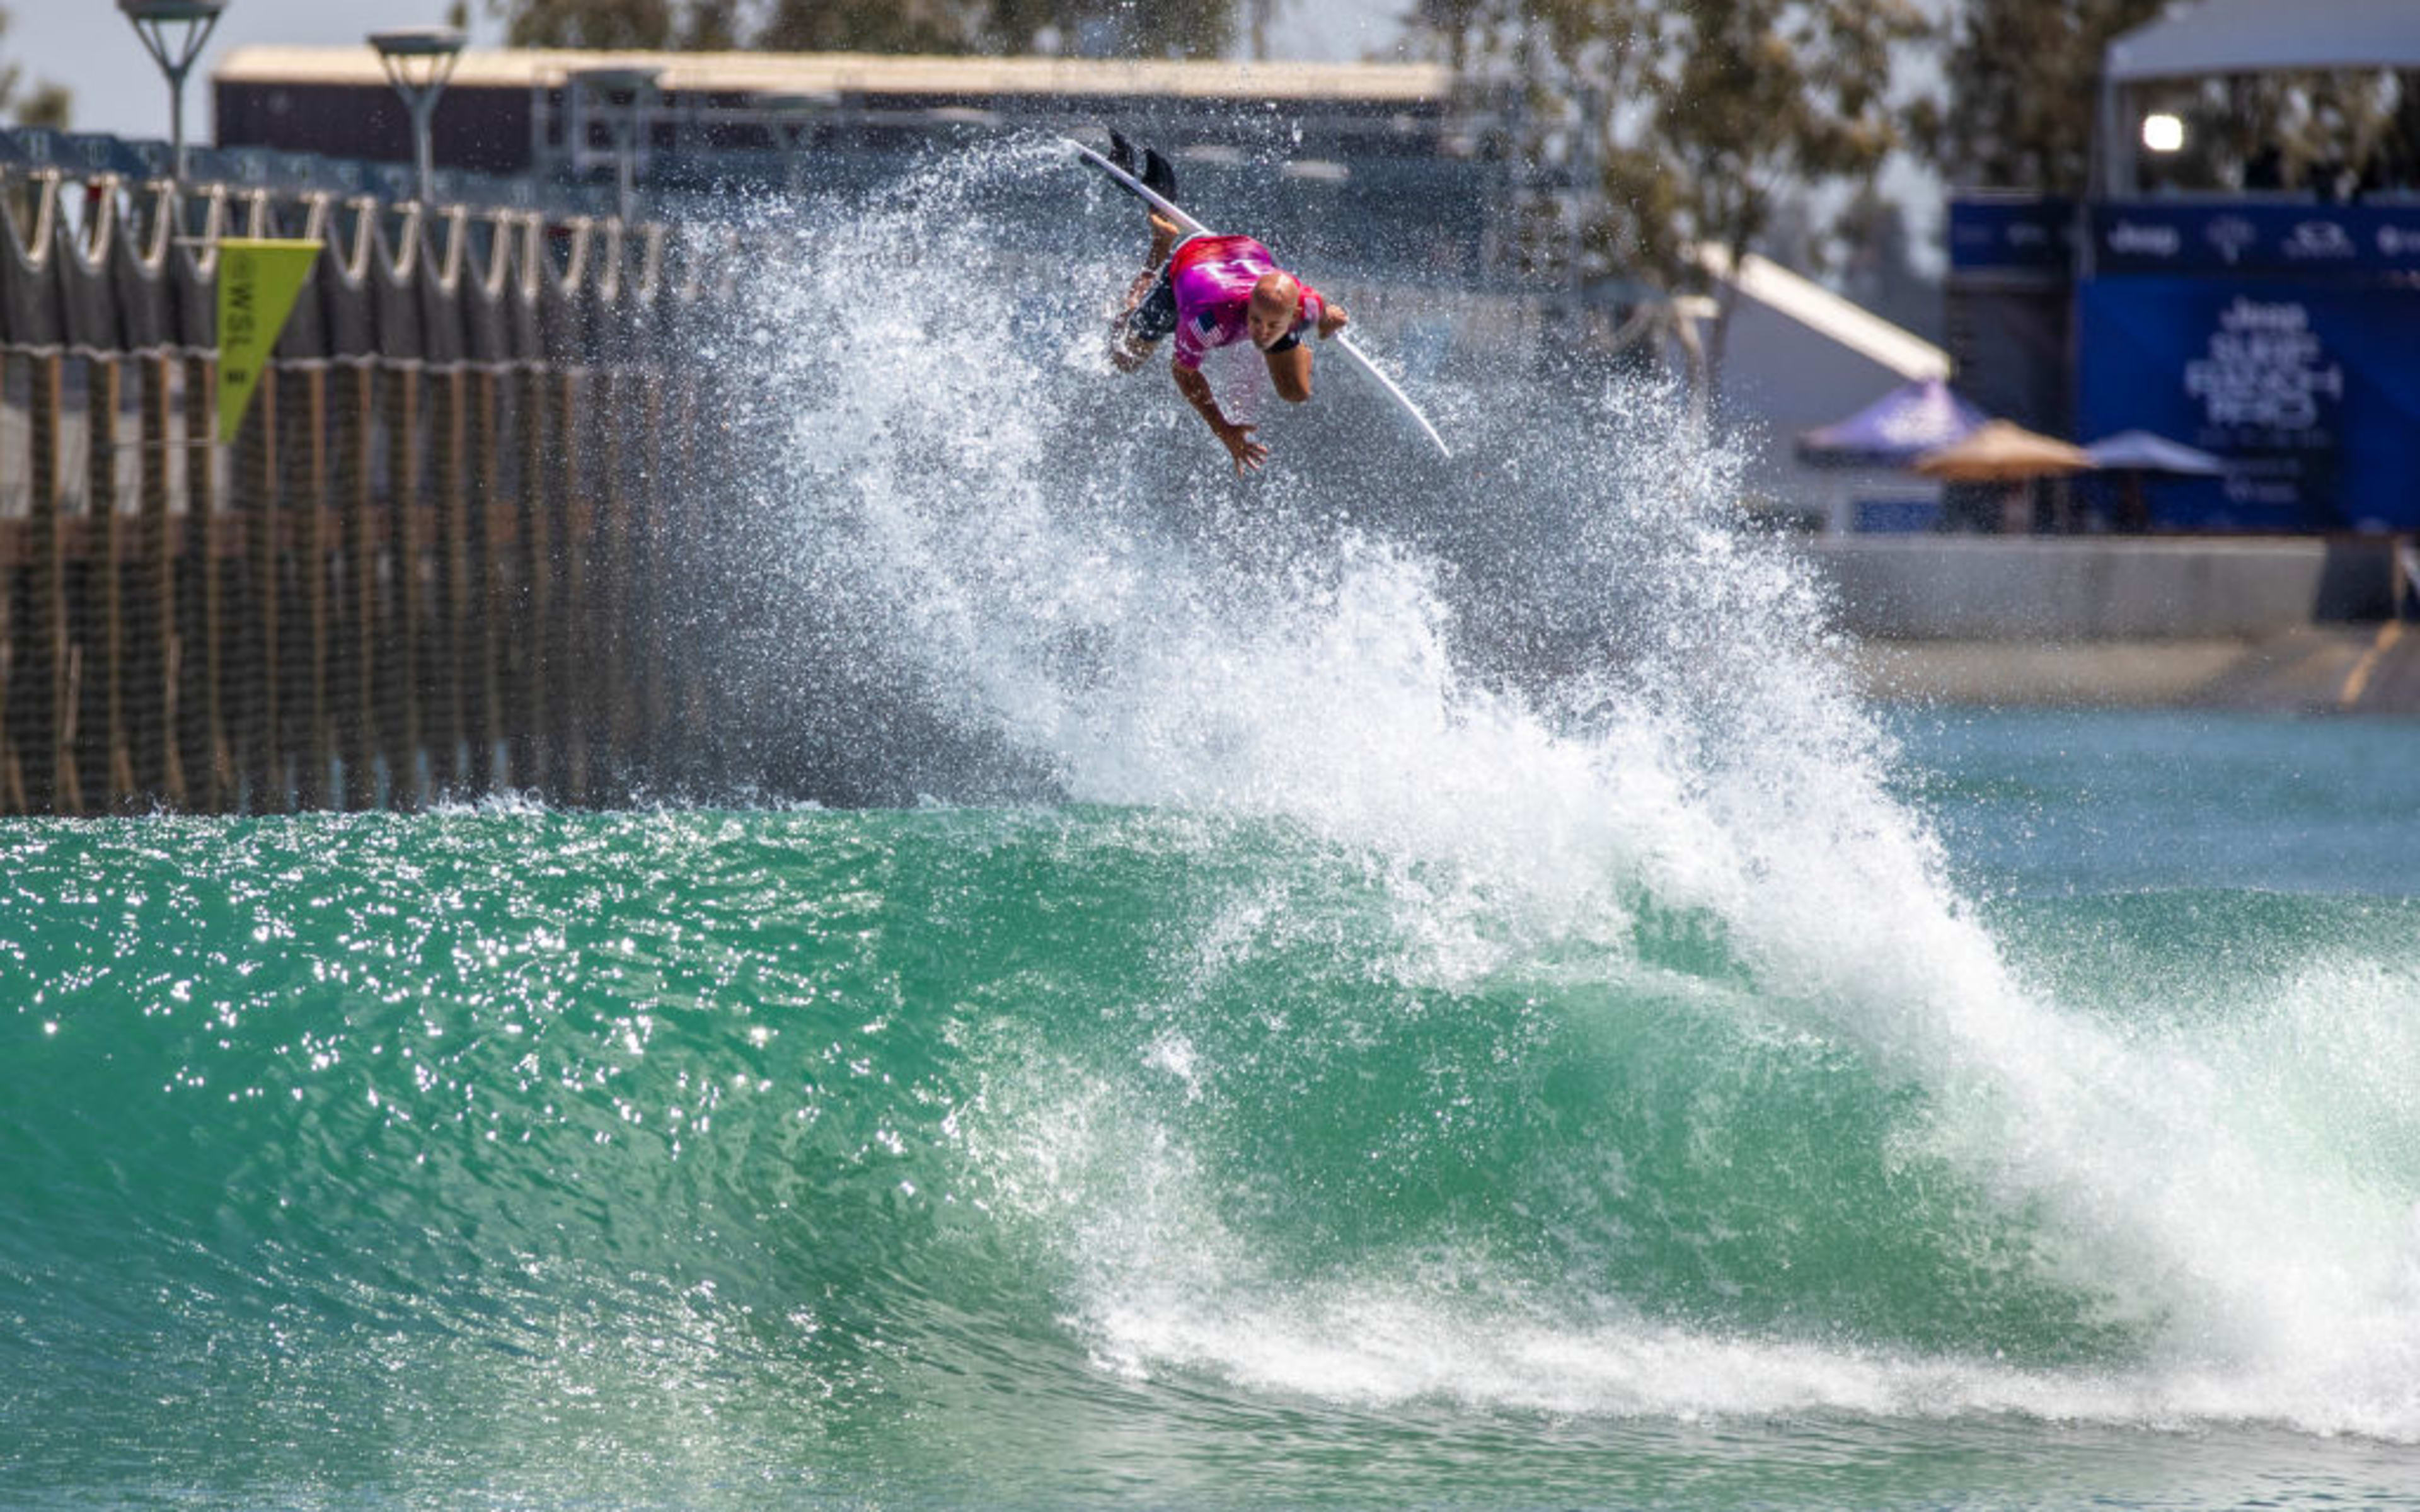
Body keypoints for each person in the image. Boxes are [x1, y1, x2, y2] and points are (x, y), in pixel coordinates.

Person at [1106, 159, 1351, 476]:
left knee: (1296, 391)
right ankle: (1160, 245)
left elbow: (1323, 308)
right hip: (1190, 267)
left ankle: (1297, 346)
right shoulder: (1208, 322)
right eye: (1256, 321)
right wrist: (1223, 429)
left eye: (1272, 326)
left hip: (1247, 253)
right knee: (1124, 356)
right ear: (1248, 309)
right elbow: (1184, 373)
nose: (1261, 332)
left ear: (1295, 315)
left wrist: (1328, 320)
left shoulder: (1307, 306)